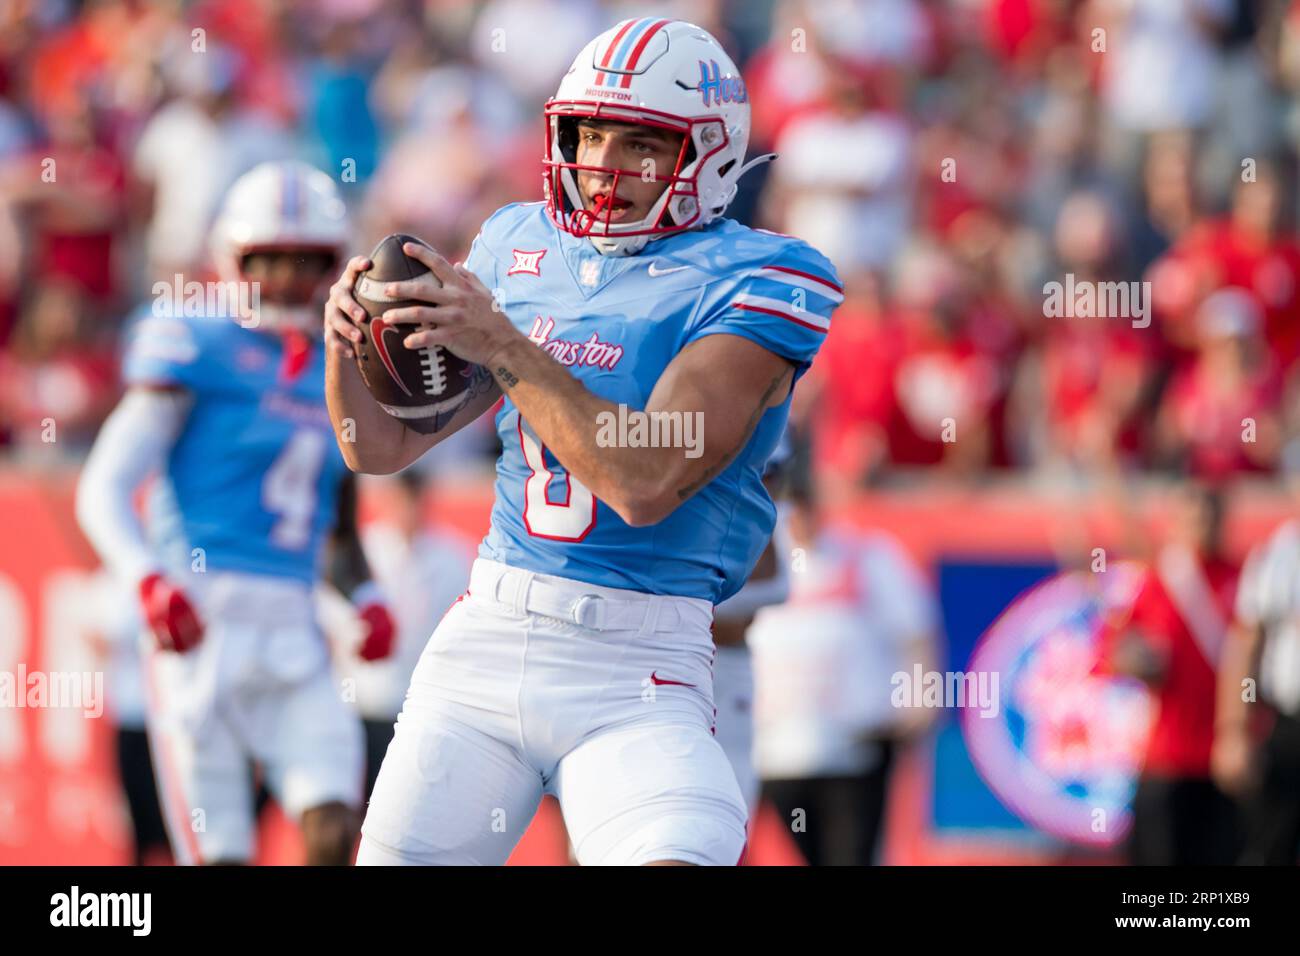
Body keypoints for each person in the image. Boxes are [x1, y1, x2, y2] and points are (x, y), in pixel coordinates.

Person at [325, 18, 842, 866]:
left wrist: (504, 343)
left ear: (709, 155)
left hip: (640, 665)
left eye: (640, 142)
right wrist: (344, 345)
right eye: (588, 132)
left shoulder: (762, 275)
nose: (603, 162)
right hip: (484, 641)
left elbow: (645, 479)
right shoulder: (517, 241)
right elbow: (376, 448)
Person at [76, 160, 395, 865]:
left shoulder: (342, 367)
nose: (286, 280)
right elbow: (102, 486)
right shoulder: (198, 343)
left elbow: (339, 526)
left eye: (304, 261)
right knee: (220, 853)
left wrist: (365, 595)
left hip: (294, 627)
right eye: (269, 260)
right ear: (234, 260)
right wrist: (148, 579)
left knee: (335, 827)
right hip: (201, 622)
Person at [749, 484, 938, 866]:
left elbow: (916, 634)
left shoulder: (867, 556)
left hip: (856, 750)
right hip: (777, 754)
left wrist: (921, 704)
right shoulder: (754, 562)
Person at [1094, 483, 1239, 864]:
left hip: (1224, 757)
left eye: (1208, 516)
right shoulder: (1157, 583)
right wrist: (1139, 660)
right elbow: (1111, 651)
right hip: (1168, 756)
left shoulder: (1239, 580)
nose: (1201, 526)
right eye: (1191, 517)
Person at [1215, 486, 1300, 864]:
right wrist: (1236, 729)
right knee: (1270, 845)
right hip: (1289, 726)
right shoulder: (1281, 555)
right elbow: (1247, 647)